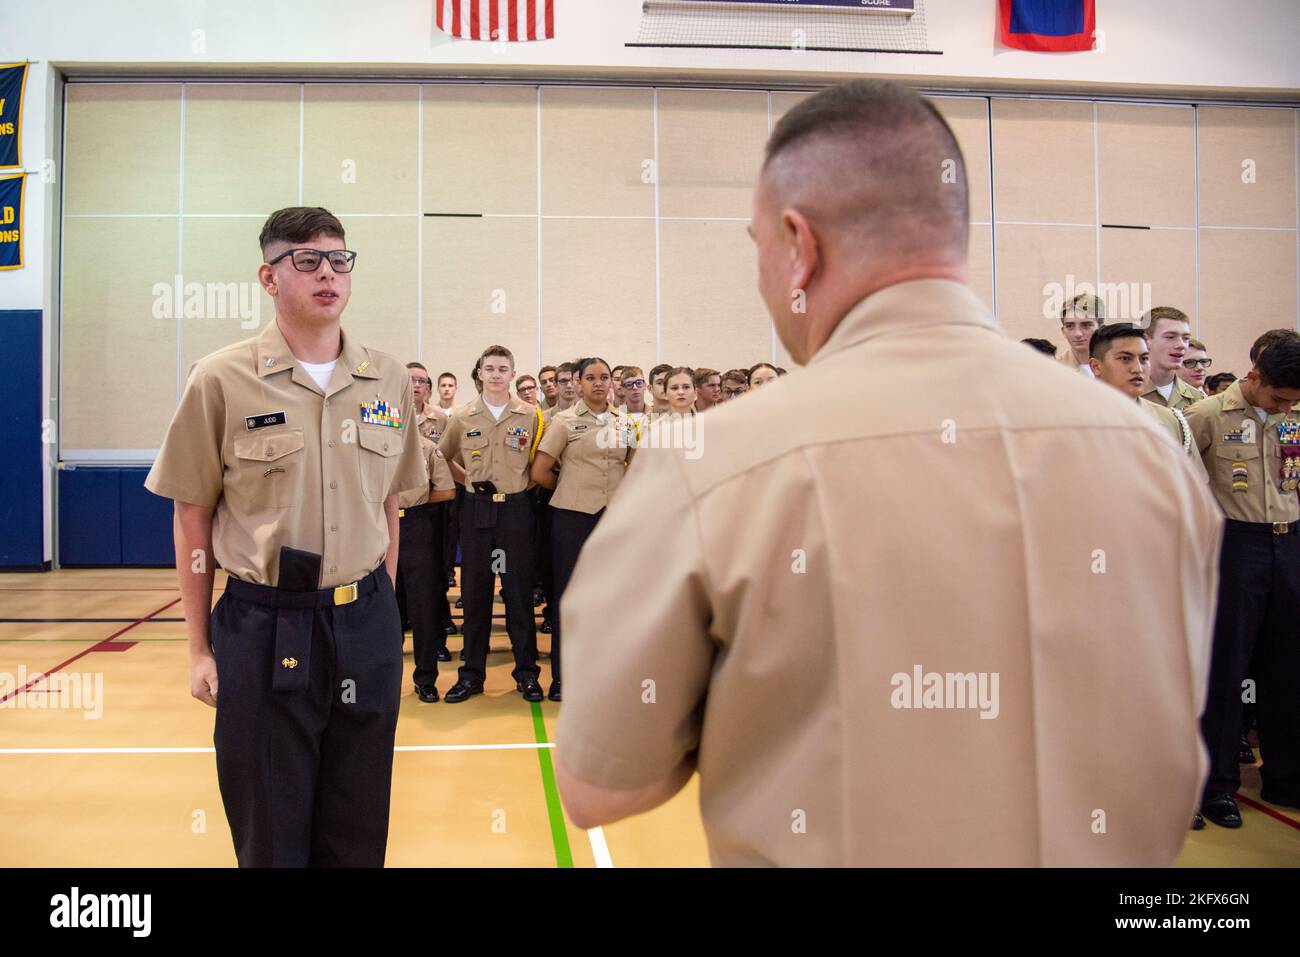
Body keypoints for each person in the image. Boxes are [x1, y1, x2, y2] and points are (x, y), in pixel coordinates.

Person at [552, 80, 1221, 867]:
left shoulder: (714, 462)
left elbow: (602, 784)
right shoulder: (1153, 458)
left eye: (758, 246)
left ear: (800, 245)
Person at [145, 207, 426, 867]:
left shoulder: (386, 379)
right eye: (307, 260)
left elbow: (391, 499)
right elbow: (192, 514)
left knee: (358, 827)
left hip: (364, 625)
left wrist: (380, 608)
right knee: (271, 830)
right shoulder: (221, 378)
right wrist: (197, 647)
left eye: (339, 258)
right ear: (269, 277)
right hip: (264, 623)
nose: (328, 272)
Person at [1185, 336, 1300, 827]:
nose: (1286, 406)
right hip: (1236, 546)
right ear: (1254, 377)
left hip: (1291, 543)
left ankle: (1286, 776)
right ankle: (1217, 786)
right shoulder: (1208, 416)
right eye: (1278, 398)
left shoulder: (1296, 413)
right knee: (1228, 669)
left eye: (1293, 400)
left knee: (1289, 667)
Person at [438, 344, 546, 704]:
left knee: (517, 595)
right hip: (477, 509)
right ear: (480, 374)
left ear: (513, 374)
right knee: (475, 594)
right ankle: (471, 676)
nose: (497, 374)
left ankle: (527, 674)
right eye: (490, 369)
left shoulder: (531, 415)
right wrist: (468, 479)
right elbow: (445, 455)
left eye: (504, 369)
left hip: (516, 511)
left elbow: (541, 462)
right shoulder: (464, 416)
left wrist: (521, 487)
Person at [530, 357, 636, 702]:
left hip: (614, 520)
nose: (599, 383)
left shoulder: (625, 422)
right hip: (572, 519)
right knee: (569, 599)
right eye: (590, 377)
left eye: (605, 377)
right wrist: (571, 485)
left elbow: (635, 466)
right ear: (578, 382)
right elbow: (540, 472)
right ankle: (563, 677)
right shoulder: (563, 421)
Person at [398, 431, 457, 701]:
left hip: (415, 524)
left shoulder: (427, 448)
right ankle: (378, 678)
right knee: (378, 605)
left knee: (423, 606)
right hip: (375, 525)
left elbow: (446, 490)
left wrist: (416, 504)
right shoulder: (366, 441)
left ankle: (425, 678)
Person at [1088, 324, 1199, 463]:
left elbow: (1194, 481)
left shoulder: (1171, 421)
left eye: (1144, 359)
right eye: (1125, 359)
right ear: (1096, 366)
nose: (1138, 369)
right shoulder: (1071, 420)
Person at [1140, 307, 1204, 410]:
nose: (1181, 345)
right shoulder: (1126, 394)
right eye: (1170, 337)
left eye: (1186, 338)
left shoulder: (1197, 400)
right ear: (1146, 340)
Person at [1058, 292, 1104, 377]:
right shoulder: (1054, 370)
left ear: (1101, 328)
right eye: (1070, 326)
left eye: (1086, 325)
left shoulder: (1115, 368)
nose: (1078, 334)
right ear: (1063, 331)